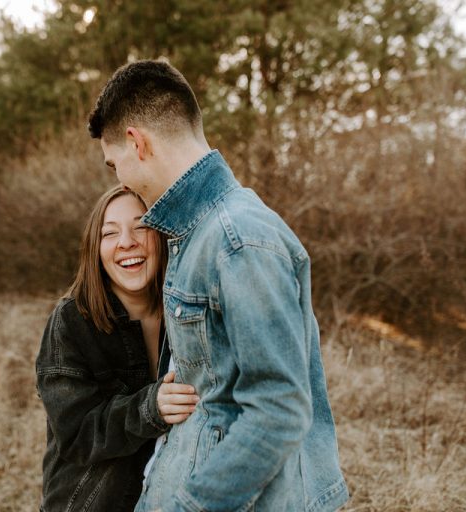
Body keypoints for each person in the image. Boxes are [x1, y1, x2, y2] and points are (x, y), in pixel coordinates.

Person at [87, 60, 349, 512]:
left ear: (136, 141)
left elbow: (278, 410)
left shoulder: (237, 238)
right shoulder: (195, 234)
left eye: (115, 165)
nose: (119, 179)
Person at [36, 185, 200, 512]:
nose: (127, 242)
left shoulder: (189, 315)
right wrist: (150, 408)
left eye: (141, 226)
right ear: (95, 249)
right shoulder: (70, 323)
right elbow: (78, 434)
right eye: (110, 234)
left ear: (162, 237)